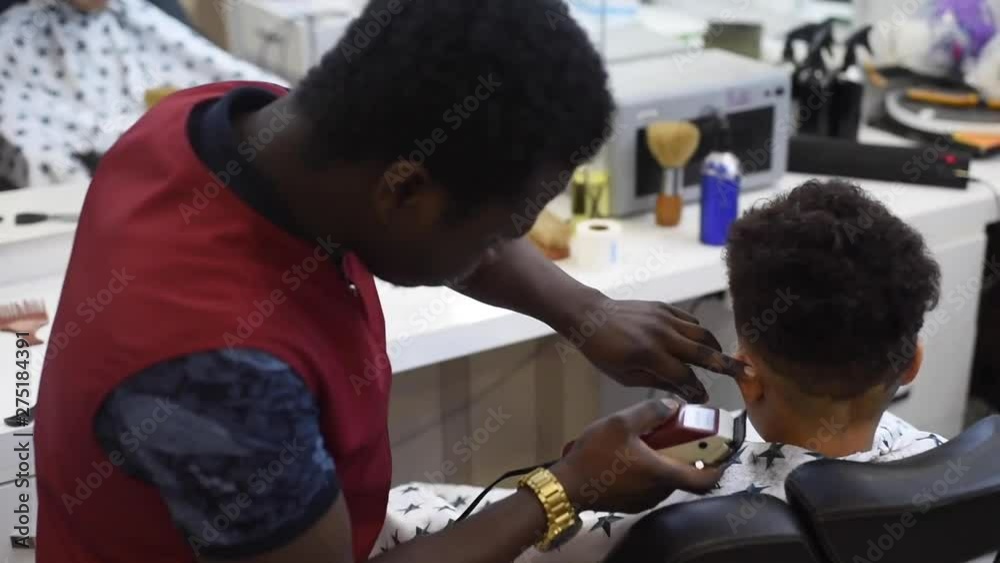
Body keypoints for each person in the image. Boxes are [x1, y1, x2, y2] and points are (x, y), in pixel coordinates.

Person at [34, 1, 747, 562]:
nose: (507, 245)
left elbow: (448, 213)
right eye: (506, 223)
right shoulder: (217, 370)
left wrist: (582, 310)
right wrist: (562, 488)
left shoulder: (241, 121)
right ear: (405, 191)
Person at [378, 179, 948, 562]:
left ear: (746, 373)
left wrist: (570, 481)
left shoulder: (664, 510)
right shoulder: (955, 478)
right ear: (912, 363)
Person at [0, 0, 282, 189]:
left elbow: (224, 72)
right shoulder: (16, 37)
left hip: (127, 39)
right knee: (51, 161)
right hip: (43, 70)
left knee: (265, 94)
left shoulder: (141, 16)